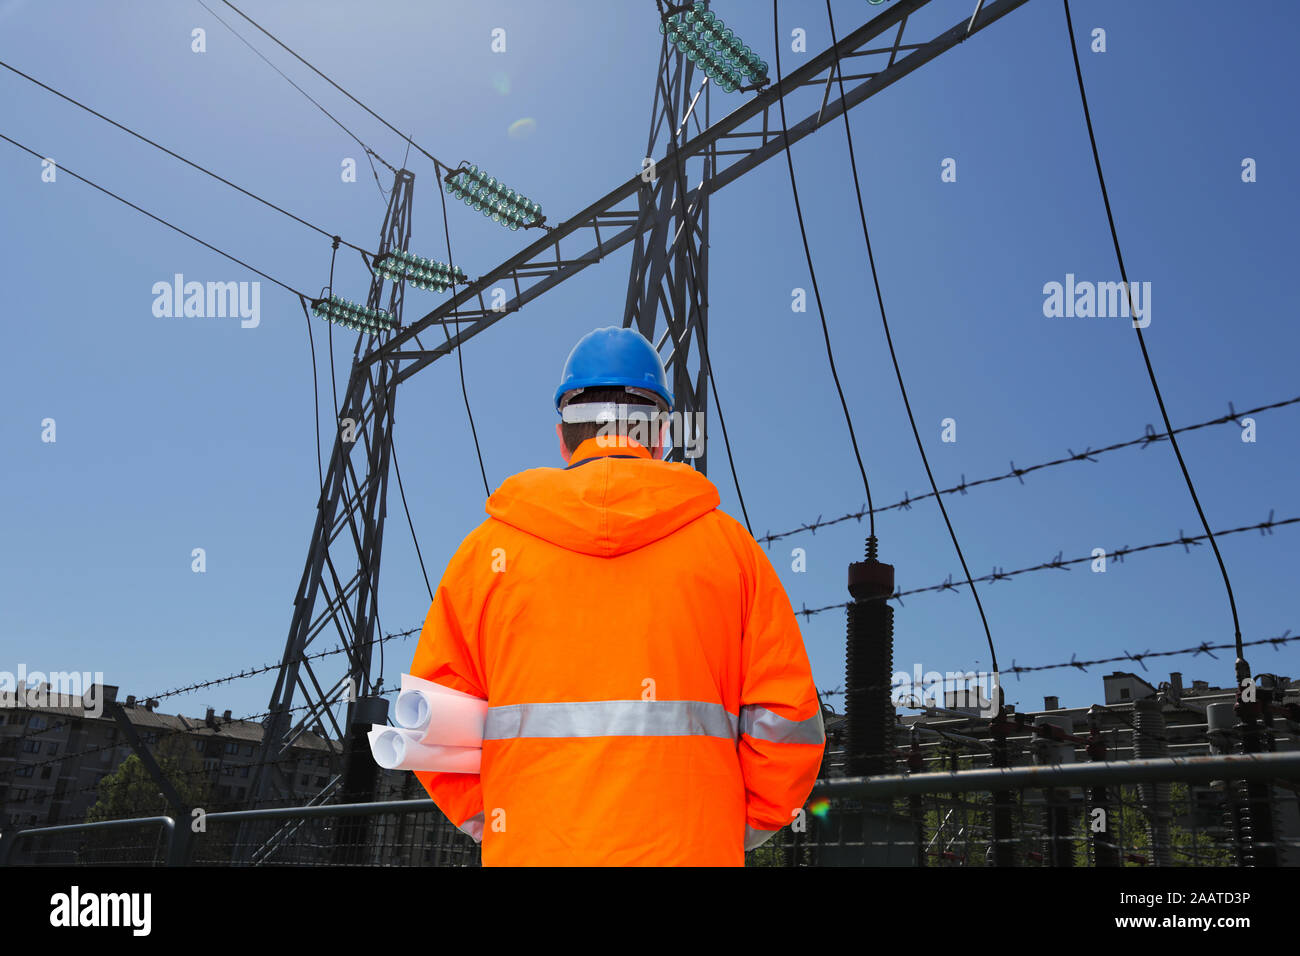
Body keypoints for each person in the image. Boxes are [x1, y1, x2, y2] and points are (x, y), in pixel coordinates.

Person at [409, 326, 824, 866]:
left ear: (563, 436)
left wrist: (502, 827)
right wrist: (725, 827)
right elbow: (787, 723)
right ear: (660, 434)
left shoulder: (488, 552)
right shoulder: (730, 549)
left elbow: (429, 722)